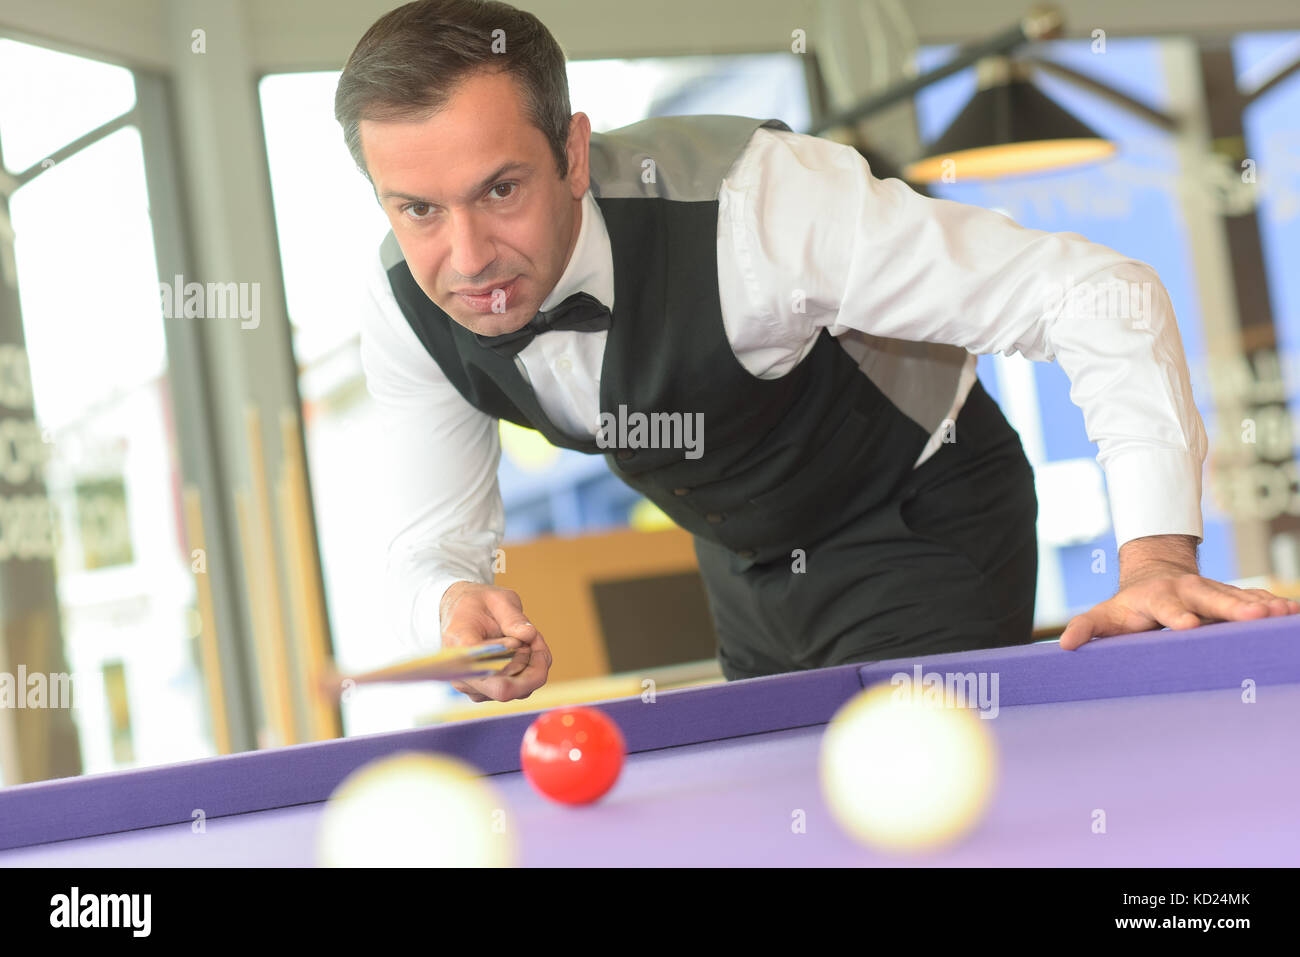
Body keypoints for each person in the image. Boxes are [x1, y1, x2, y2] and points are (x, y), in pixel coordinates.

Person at [335, 0, 1298, 702]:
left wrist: (1156, 558)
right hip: (743, 564)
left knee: (919, 802)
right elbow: (432, 544)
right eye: (417, 208)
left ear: (573, 154)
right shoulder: (404, 308)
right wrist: (453, 604)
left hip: (919, 515)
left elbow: (1097, 294)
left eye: (501, 190)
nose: (466, 258)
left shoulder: (762, 204)